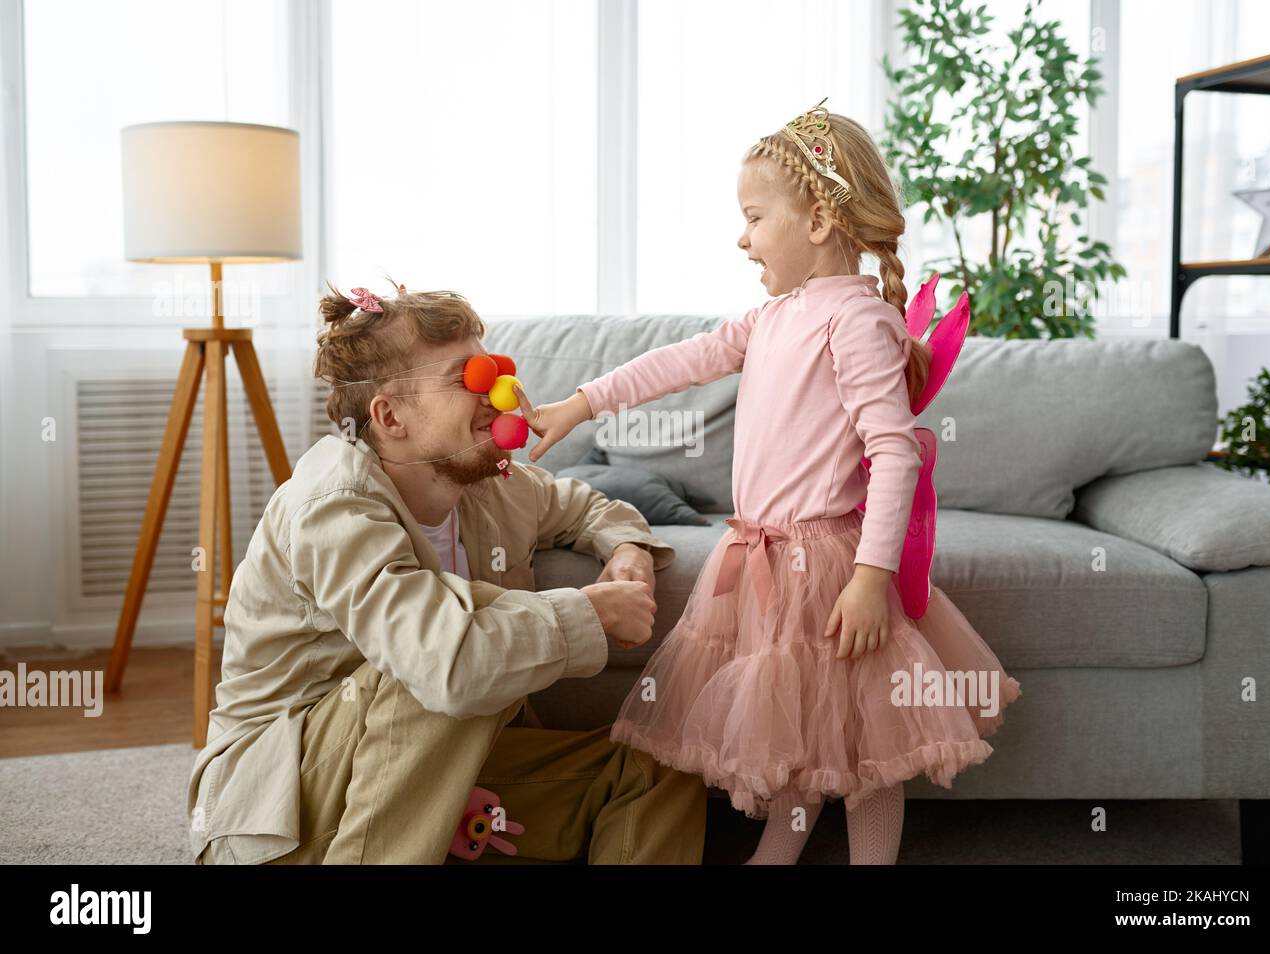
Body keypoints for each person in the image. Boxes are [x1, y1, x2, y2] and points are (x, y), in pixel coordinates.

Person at [523, 100, 1022, 865]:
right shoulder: (771, 316)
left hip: (829, 563)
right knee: (799, 724)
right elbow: (677, 361)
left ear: (819, 218)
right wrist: (582, 402)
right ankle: (777, 854)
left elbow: (895, 453)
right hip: (764, 560)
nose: (741, 235)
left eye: (754, 217)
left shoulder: (854, 321)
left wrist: (869, 577)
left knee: (864, 737)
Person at [187, 281, 707, 864]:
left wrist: (628, 549)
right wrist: (589, 612)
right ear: (389, 415)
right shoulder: (333, 505)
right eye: (469, 379)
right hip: (288, 807)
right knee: (449, 650)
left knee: (655, 771)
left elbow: (588, 506)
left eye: (497, 371)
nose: (502, 395)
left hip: (434, 777)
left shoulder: (483, 482)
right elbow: (447, 668)